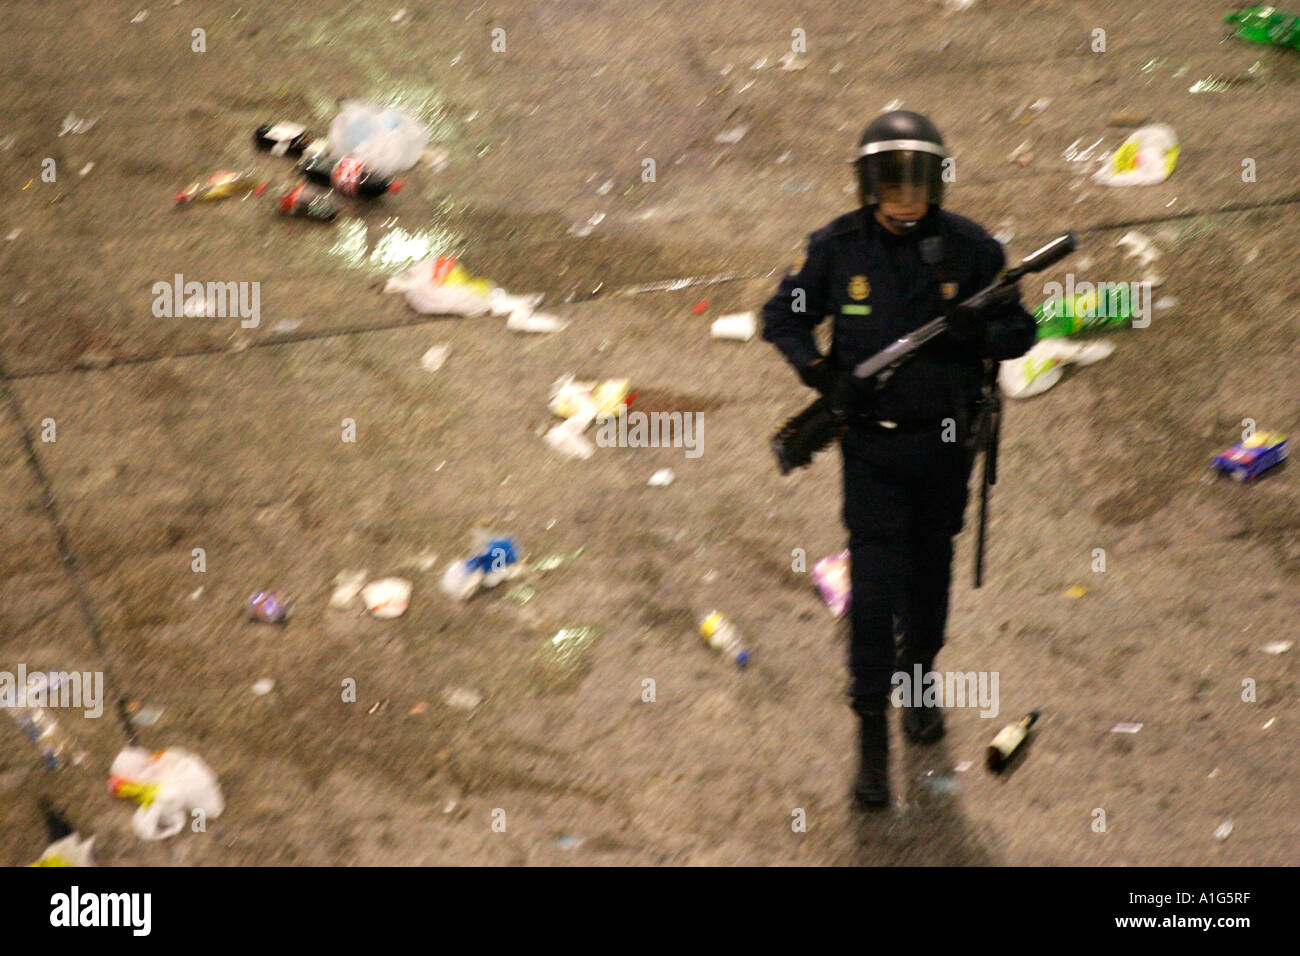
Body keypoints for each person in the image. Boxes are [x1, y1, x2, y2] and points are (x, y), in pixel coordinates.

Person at [761, 110, 1038, 808]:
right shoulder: (838, 250)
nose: (904, 197)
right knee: (876, 587)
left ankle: (919, 684)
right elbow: (782, 316)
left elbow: (1021, 328)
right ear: (867, 185)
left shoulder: (971, 249)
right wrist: (822, 376)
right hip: (873, 450)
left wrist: (986, 331)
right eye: (890, 182)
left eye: (917, 181)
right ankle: (871, 740)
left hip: (946, 446)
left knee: (931, 574)